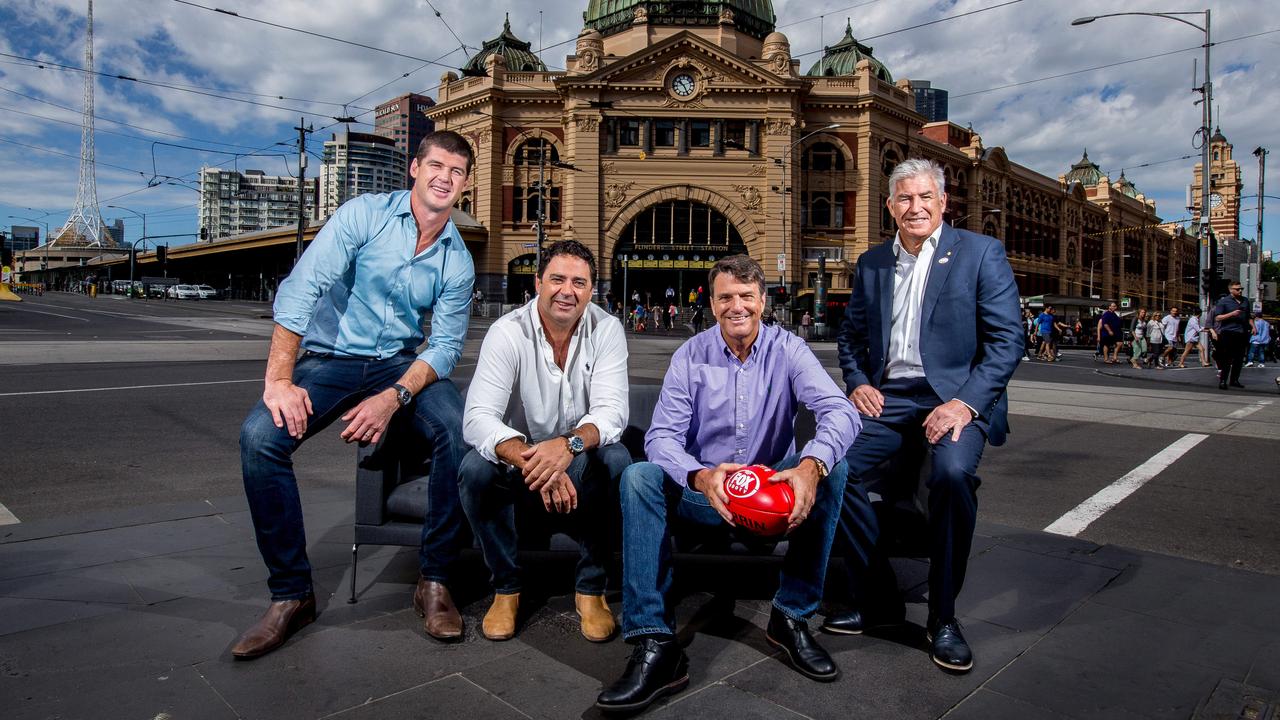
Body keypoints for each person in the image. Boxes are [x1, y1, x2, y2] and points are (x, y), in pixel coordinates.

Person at [232, 131, 476, 659]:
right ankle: (291, 595)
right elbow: (302, 289)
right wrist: (280, 379)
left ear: (465, 184)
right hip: (331, 360)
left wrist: (393, 396)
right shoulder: (364, 215)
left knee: (458, 431)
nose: (444, 178)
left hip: (397, 364)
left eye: (456, 172)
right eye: (436, 166)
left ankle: (434, 580)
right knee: (259, 438)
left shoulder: (458, 260)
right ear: (414, 168)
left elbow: (446, 346)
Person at [596, 255, 857, 713]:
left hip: (771, 498)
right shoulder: (689, 356)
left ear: (762, 301)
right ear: (712, 304)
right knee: (639, 476)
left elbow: (841, 411)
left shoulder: (789, 350)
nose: (737, 306)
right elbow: (660, 438)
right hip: (706, 495)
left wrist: (810, 466)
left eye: (746, 297)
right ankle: (656, 645)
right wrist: (699, 474)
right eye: (726, 297)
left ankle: (791, 616)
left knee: (833, 467)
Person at [830, 158, 1022, 673]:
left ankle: (943, 616)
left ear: (943, 203)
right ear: (890, 206)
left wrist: (965, 403)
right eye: (904, 199)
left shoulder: (980, 253)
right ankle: (880, 599)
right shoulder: (871, 263)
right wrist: (860, 382)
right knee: (831, 467)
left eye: (924, 198)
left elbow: (1007, 342)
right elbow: (850, 338)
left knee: (954, 475)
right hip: (889, 396)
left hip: (955, 397)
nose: (915, 207)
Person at [459, 240, 631, 643]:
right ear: (538, 282)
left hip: (578, 461)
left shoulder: (606, 329)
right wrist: (536, 459)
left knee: (618, 460)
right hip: (518, 465)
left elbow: (611, 414)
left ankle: (591, 589)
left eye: (578, 282)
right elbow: (478, 417)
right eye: (557, 279)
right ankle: (506, 587)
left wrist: (565, 447)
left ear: (592, 290)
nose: (566, 290)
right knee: (473, 468)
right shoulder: (507, 332)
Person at [1210, 281, 1251, 389]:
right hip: (1228, 332)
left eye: (1241, 288)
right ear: (1230, 290)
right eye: (1237, 289)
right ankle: (1223, 381)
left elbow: (1248, 316)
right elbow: (1217, 317)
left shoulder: (1245, 301)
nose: (1240, 290)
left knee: (1239, 358)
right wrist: (1232, 314)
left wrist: (1253, 326)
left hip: (1242, 332)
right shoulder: (1224, 302)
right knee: (1227, 358)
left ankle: (1234, 380)